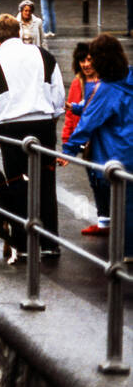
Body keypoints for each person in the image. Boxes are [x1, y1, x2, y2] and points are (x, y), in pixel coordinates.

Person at [0, 13, 66, 257]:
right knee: (46, 184)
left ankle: (23, 245)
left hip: (11, 129)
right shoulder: (44, 56)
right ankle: (49, 243)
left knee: (17, 184)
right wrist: (52, 118)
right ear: (19, 32)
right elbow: (58, 97)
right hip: (43, 126)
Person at [63, 33, 133, 262]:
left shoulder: (107, 88)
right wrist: (77, 107)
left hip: (117, 153)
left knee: (124, 206)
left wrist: (68, 149)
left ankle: (127, 252)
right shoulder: (129, 76)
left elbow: (90, 120)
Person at [61, 42, 108, 237]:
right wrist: (67, 142)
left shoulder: (107, 82)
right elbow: (71, 115)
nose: (86, 64)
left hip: (106, 141)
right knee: (95, 181)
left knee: (109, 181)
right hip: (87, 142)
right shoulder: (78, 83)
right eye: (82, 60)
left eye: (89, 60)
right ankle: (104, 220)